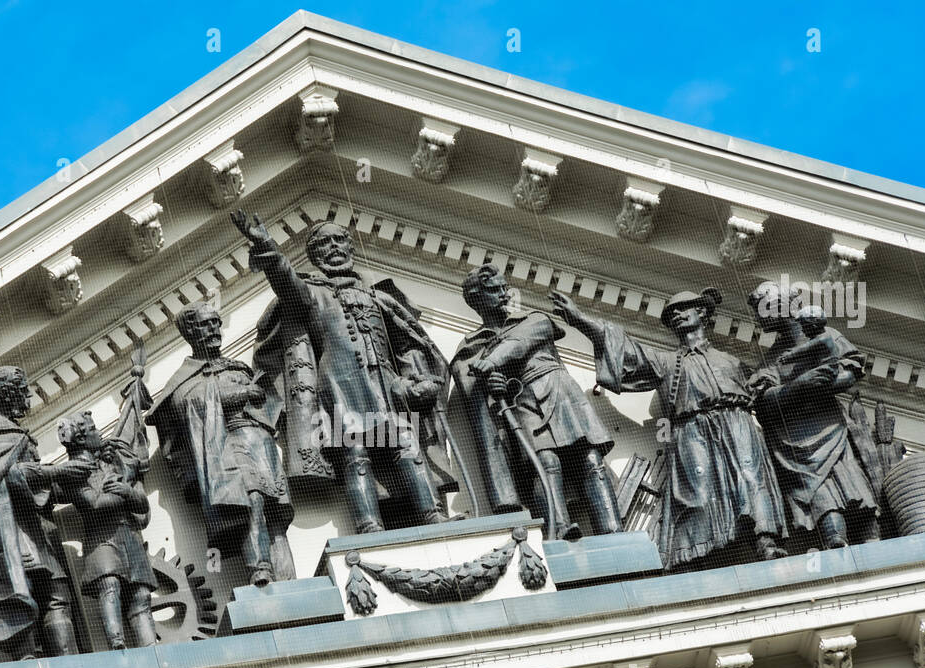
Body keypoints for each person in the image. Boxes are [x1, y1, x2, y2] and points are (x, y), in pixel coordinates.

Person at [231, 210, 456, 533]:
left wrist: (417, 378)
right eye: (325, 243)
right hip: (338, 386)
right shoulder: (312, 292)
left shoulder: (377, 295)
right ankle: (368, 523)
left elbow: (408, 343)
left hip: (387, 386)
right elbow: (285, 280)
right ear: (314, 255)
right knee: (356, 452)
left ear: (350, 248)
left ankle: (432, 513)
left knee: (406, 443)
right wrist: (266, 244)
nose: (334, 247)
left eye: (340, 240)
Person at [550, 286, 787, 569]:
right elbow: (625, 349)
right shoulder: (666, 361)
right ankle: (700, 554)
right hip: (691, 430)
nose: (675, 316)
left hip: (738, 425)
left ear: (702, 312)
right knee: (696, 491)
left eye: (682, 309)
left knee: (750, 479)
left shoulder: (733, 362)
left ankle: (765, 542)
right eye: (670, 314)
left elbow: (774, 382)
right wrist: (579, 320)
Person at [452, 264, 621, 540]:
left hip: (559, 391)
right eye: (495, 290)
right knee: (543, 464)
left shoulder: (531, 319)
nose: (504, 294)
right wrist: (495, 387)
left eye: (505, 288)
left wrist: (493, 360)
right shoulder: (473, 345)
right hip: (522, 403)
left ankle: (612, 529)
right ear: (478, 298)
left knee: (590, 459)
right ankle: (560, 529)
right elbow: (474, 390)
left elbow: (522, 341)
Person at [147, 302, 295, 586]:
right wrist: (241, 394)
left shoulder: (236, 366)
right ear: (190, 331)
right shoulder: (186, 379)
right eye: (206, 324)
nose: (215, 329)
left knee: (275, 512)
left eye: (216, 322)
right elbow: (187, 406)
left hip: (259, 441)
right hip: (226, 447)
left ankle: (288, 579)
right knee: (251, 501)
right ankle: (259, 569)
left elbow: (267, 401)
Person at [0, 366, 93, 660]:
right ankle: (32, 663)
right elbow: (11, 476)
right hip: (13, 539)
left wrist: (73, 483)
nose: (28, 396)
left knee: (57, 594)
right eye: (22, 390)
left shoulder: (10, 434)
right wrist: (58, 471)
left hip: (36, 532)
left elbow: (37, 493)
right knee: (29, 595)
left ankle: (70, 663)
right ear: (5, 395)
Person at [747, 284, 880, 548]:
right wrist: (801, 385)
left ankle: (872, 539)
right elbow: (763, 402)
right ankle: (834, 540)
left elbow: (851, 369)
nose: (760, 316)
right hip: (795, 437)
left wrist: (827, 383)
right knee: (817, 491)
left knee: (850, 479)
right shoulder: (772, 359)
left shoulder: (825, 335)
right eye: (758, 311)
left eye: (766, 306)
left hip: (830, 426)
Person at [56, 411, 159, 648]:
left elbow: (142, 504)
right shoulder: (74, 473)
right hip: (102, 538)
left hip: (129, 536)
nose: (99, 434)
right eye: (93, 430)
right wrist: (123, 493)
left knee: (141, 596)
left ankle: (150, 648)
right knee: (109, 586)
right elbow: (94, 504)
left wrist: (127, 491)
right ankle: (116, 643)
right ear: (81, 439)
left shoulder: (111, 463)